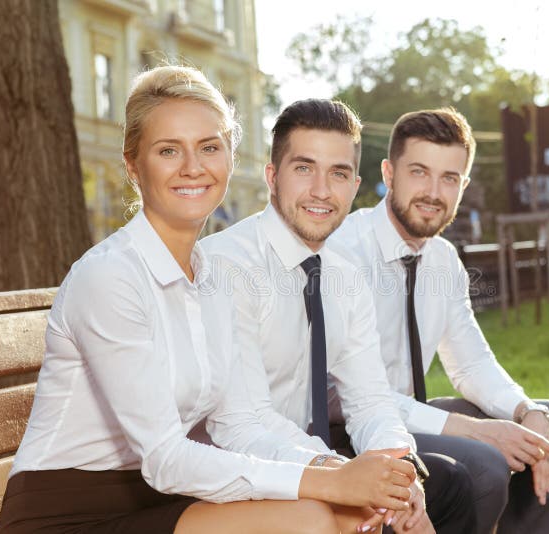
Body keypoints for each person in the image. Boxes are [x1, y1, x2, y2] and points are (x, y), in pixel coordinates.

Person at [0, 66, 418, 534]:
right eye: (168, 150)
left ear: (230, 160)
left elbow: (243, 422)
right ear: (134, 165)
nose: (193, 167)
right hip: (66, 512)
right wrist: (328, 482)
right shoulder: (110, 276)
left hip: (161, 500)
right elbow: (166, 459)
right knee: (314, 518)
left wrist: (342, 471)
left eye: (209, 148)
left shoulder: (216, 278)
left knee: (350, 514)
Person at [201, 99, 476, 534]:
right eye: (304, 168)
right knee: (369, 509)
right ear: (273, 177)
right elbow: (243, 426)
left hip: (306, 462)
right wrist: (344, 475)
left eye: (339, 174)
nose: (322, 191)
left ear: (357, 184)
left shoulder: (344, 276)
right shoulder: (226, 266)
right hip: (236, 474)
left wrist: (400, 470)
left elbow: (369, 401)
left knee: (448, 484)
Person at [330, 108, 549, 534]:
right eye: (419, 172)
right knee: (483, 463)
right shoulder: (346, 252)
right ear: (389, 174)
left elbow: (470, 364)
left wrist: (528, 409)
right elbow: (349, 396)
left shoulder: (443, 259)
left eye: (449, 178)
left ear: (463, 187)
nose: (433, 192)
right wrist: (475, 431)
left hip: (410, 412)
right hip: (350, 427)